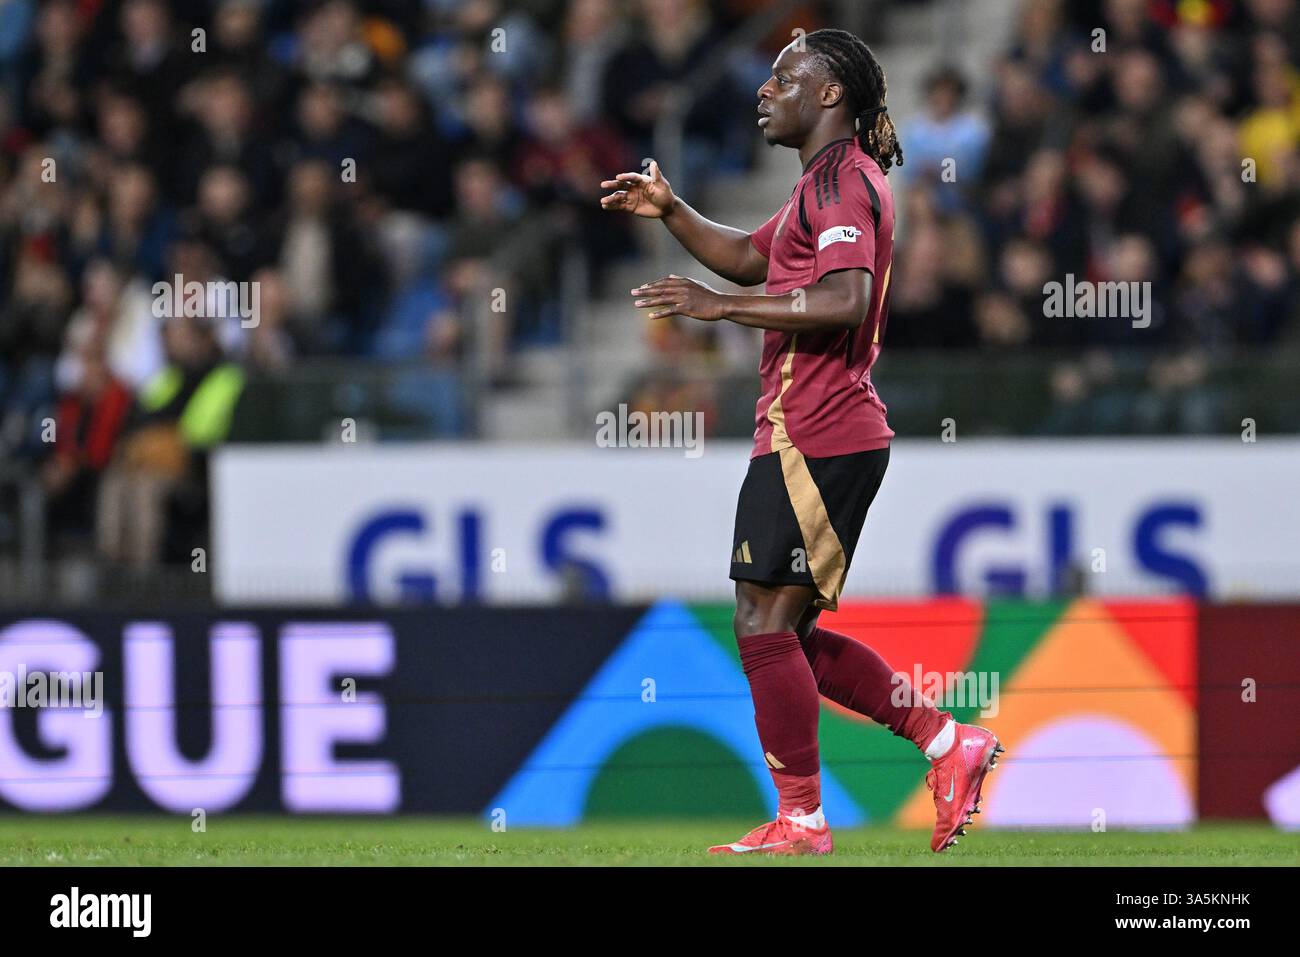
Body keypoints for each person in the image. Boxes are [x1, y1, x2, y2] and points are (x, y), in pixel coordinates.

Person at [600, 28, 1003, 856]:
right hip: (807, 432)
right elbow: (754, 259)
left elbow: (844, 300)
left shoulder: (844, 185)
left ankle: (805, 817)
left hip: (816, 434)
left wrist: (715, 308)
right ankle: (944, 742)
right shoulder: (821, 186)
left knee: (761, 620)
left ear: (829, 95)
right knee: (788, 633)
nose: (764, 89)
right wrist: (673, 210)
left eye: (785, 77)